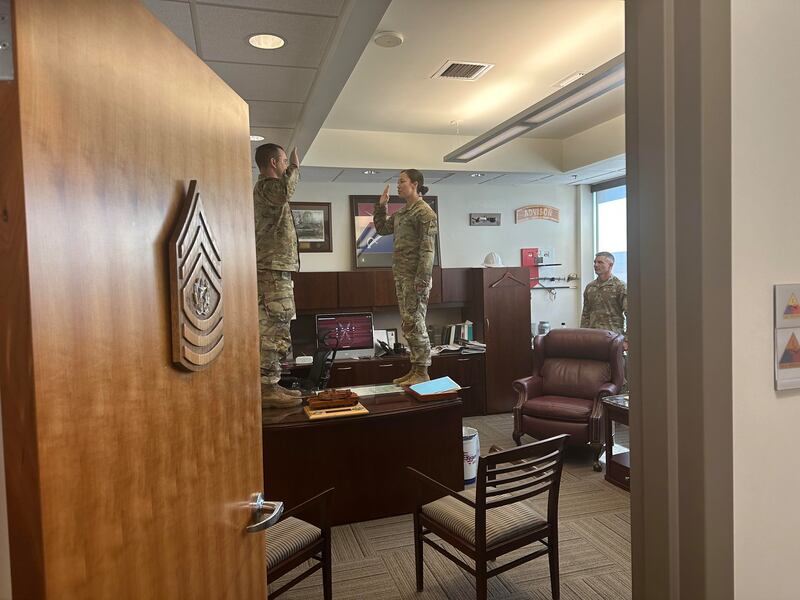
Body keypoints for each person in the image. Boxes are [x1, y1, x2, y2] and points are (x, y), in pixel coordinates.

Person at [373, 169, 438, 385]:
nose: (398, 185)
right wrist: (381, 206)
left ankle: (423, 371)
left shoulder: (425, 213)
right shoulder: (402, 214)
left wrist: (422, 280)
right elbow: (382, 228)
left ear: (415, 184)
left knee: (415, 322)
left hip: (416, 278)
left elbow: (428, 251)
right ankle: (416, 368)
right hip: (402, 277)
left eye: (402, 181)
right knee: (408, 323)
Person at [254, 143, 304, 408]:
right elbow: (286, 190)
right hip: (271, 268)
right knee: (275, 325)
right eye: (284, 161)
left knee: (277, 324)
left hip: (275, 267)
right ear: (274, 162)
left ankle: (271, 384)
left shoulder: (266, 190)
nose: (287, 164)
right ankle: (266, 388)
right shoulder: (267, 187)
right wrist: (295, 168)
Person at [580, 251, 628, 345]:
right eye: (595, 262)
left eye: (600, 262)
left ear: (610, 265)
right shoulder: (590, 287)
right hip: (592, 337)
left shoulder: (620, 286)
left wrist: (627, 340)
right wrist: (582, 336)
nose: (596, 265)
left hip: (613, 337)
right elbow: (585, 314)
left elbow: (630, 314)